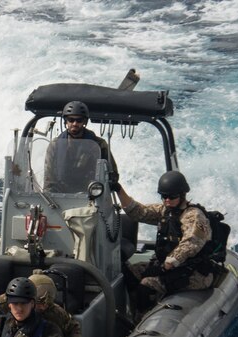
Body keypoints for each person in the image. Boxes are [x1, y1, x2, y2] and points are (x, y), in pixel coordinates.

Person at [113, 170, 216, 311]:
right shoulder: (165, 210)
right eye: (164, 196)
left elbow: (190, 244)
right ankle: (132, 310)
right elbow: (138, 212)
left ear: (182, 195)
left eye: (171, 197)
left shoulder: (193, 216)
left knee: (147, 284)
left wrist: (165, 266)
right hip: (169, 267)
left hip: (193, 272)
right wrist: (119, 190)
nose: (167, 200)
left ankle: (141, 319)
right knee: (128, 273)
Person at [43, 100, 119, 193]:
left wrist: (103, 184)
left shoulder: (100, 144)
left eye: (79, 120)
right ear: (66, 121)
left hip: (91, 195)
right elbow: (48, 177)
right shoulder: (55, 145)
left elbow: (113, 175)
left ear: (84, 122)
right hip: (61, 197)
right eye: (71, 120)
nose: (74, 123)